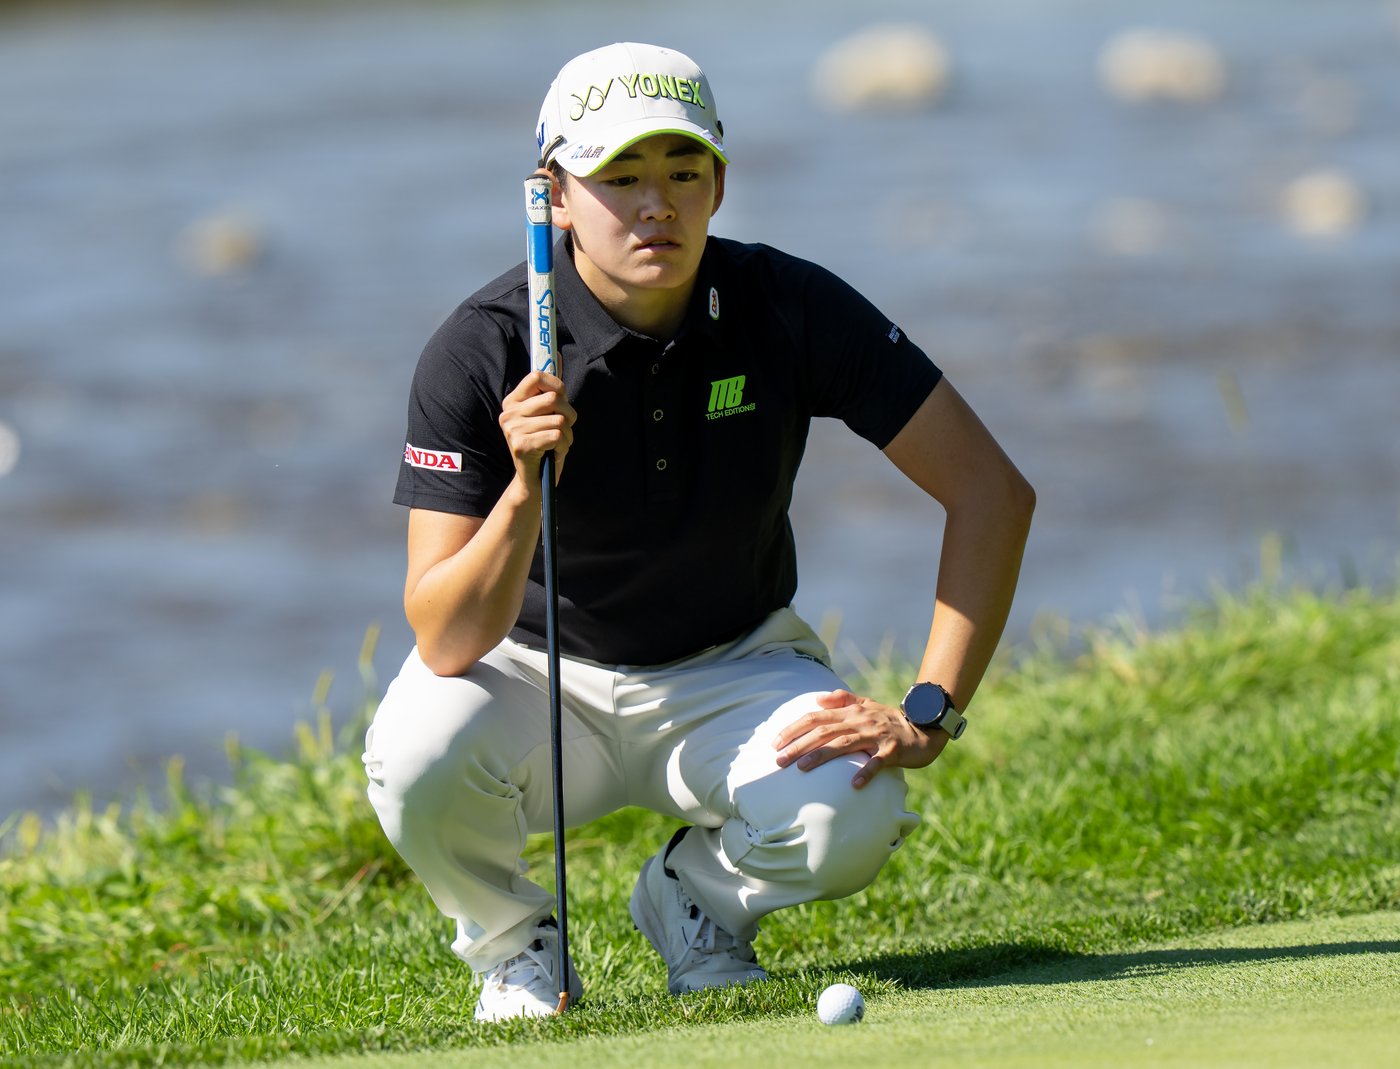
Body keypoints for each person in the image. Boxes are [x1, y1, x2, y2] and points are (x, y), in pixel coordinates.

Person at [363, 41, 1034, 1022]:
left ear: (717, 183)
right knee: (414, 749)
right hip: (536, 676)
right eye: (619, 176)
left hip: (733, 667)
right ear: (552, 193)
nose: (655, 205)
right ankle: (516, 947)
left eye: (682, 172)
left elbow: (989, 492)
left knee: (854, 799)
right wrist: (519, 489)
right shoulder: (483, 347)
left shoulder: (786, 306)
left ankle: (693, 900)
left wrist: (927, 709)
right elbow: (445, 636)